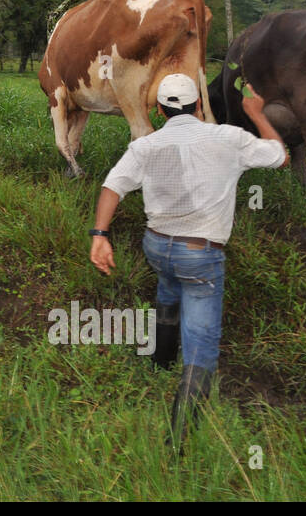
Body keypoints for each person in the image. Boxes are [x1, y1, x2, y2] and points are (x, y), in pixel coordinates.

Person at [87, 72, 288, 451]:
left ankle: (159, 363)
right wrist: (255, 112)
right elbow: (280, 156)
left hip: (157, 247)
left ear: (160, 112)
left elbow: (112, 186)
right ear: (198, 106)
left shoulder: (146, 145)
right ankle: (180, 439)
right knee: (201, 340)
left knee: (168, 282)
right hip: (200, 253)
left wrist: (100, 236)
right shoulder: (228, 138)